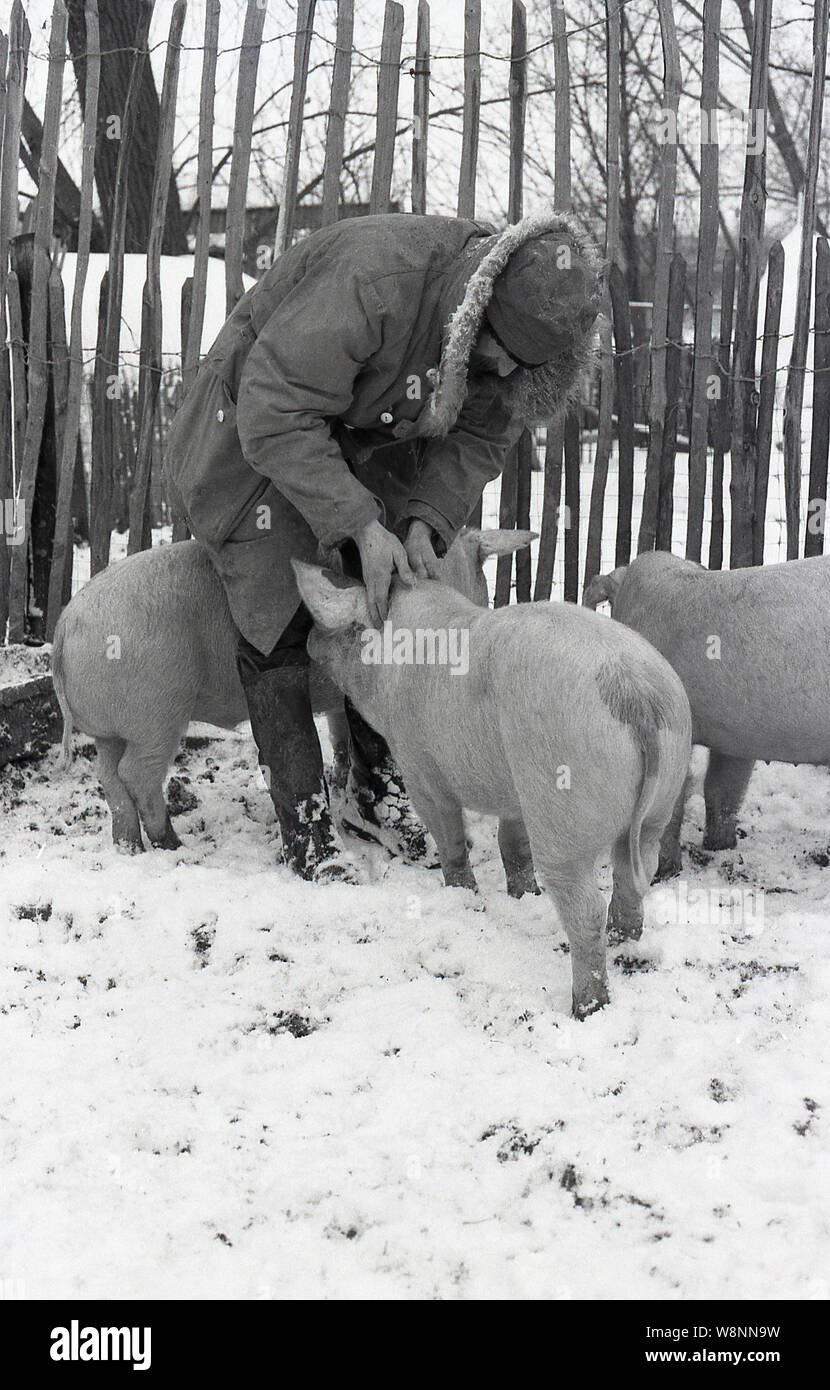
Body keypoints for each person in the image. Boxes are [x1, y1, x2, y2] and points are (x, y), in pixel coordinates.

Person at [163, 208, 601, 882]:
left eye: (522, 364)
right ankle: (303, 823)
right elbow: (274, 409)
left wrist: (426, 516)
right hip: (258, 429)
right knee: (277, 605)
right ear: (476, 306)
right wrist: (359, 524)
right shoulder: (375, 279)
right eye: (499, 349)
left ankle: (373, 791)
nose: (506, 366)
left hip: (375, 433)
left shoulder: (506, 356)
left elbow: (483, 434)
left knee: (388, 602)